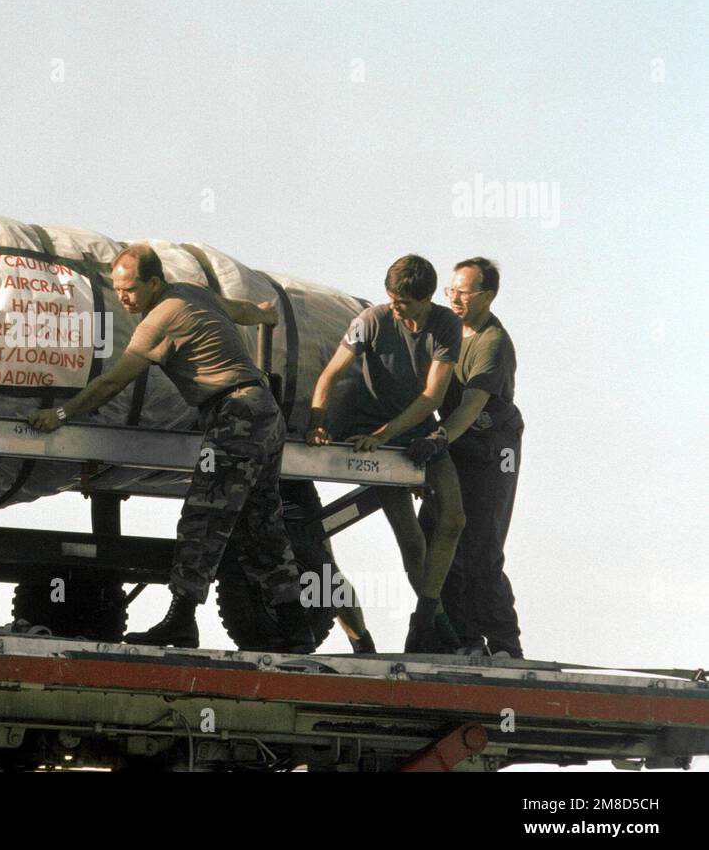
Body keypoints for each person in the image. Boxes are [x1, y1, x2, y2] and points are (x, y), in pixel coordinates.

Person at [27, 244, 303, 649]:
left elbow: (111, 383)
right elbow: (238, 310)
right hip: (262, 411)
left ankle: (181, 620)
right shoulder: (192, 293)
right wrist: (265, 314)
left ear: (155, 282)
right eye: (117, 289)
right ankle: (296, 626)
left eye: (131, 289)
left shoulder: (159, 320)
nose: (123, 298)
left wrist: (61, 415)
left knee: (204, 517)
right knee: (261, 523)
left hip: (236, 414)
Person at [305, 254, 466, 653]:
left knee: (454, 517)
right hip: (372, 432)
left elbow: (432, 395)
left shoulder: (445, 326)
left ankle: (426, 614)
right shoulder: (372, 320)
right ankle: (435, 624)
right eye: (391, 297)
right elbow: (332, 373)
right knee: (408, 536)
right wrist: (318, 418)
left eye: (404, 301)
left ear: (426, 298)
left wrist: (388, 433)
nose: (395, 306)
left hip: (414, 430)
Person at [419, 258, 524, 658]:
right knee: (434, 536)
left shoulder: (492, 343)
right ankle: (460, 639)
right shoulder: (446, 328)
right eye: (452, 291)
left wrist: (436, 439)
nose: (456, 299)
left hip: (492, 449)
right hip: (454, 444)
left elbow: (469, 407)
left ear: (489, 295)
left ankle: (504, 647)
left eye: (465, 292)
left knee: (481, 548)